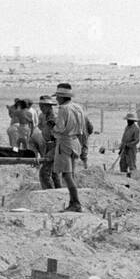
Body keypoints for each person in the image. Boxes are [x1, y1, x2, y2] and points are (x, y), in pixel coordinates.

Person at [52, 82, 87, 211]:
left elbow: (60, 128)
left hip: (65, 142)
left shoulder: (63, 109)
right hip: (75, 142)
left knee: (67, 175)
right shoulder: (78, 108)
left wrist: (53, 129)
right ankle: (73, 202)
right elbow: (83, 127)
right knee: (71, 174)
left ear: (61, 97)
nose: (56, 99)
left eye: (57, 97)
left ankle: (76, 203)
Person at [34, 96, 58, 189]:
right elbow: (40, 127)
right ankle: (57, 193)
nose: (41, 108)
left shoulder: (54, 117)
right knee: (54, 173)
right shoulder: (43, 116)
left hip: (55, 145)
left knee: (44, 173)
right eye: (40, 106)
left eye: (42, 106)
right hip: (47, 144)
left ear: (49, 106)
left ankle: (49, 192)